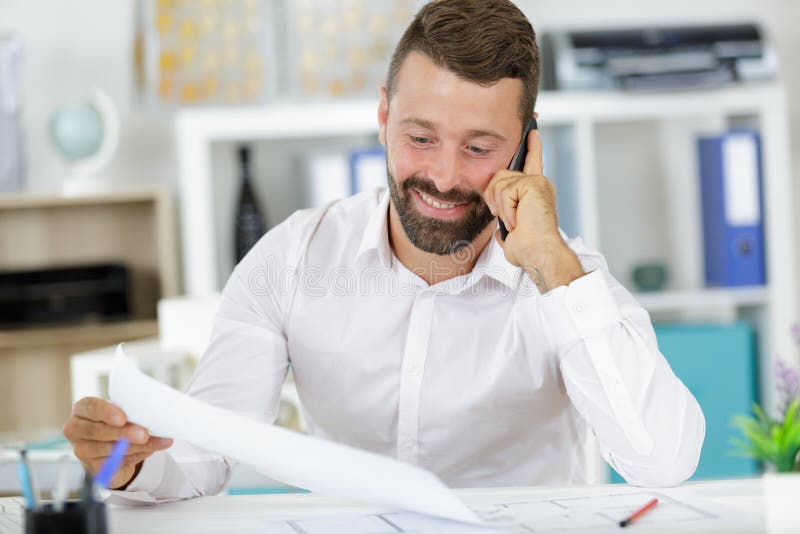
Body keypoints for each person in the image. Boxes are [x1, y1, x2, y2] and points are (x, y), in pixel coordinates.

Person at [63, 0, 704, 500]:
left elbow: (663, 460)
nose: (446, 176)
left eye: (479, 148)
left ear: (525, 149)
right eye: (420, 137)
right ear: (383, 115)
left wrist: (553, 267)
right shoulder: (292, 261)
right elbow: (203, 454)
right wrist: (123, 463)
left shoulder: (566, 280)